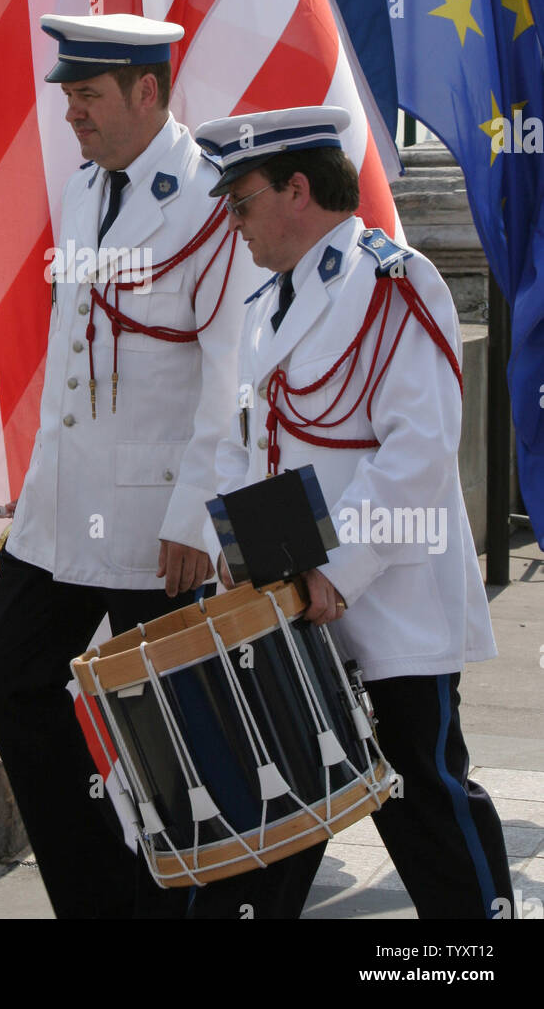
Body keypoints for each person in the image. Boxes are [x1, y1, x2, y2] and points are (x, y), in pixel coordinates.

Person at [194, 104, 513, 920]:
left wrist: (334, 570)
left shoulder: (394, 282)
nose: (234, 226)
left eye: (243, 203)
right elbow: (243, 444)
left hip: (388, 612)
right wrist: (230, 552)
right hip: (291, 619)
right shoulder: (263, 303)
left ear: (298, 189)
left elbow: (418, 451)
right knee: (277, 819)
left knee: (426, 805)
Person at [0, 13, 258, 920]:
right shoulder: (85, 187)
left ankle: (185, 905)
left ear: (147, 90)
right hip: (64, 511)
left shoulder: (212, 200)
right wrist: (39, 494)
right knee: (10, 682)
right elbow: (74, 354)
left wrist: (196, 514)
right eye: (67, 96)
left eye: (88, 96)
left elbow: (232, 369)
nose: (72, 114)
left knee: (178, 740)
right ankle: (102, 901)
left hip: (155, 525)